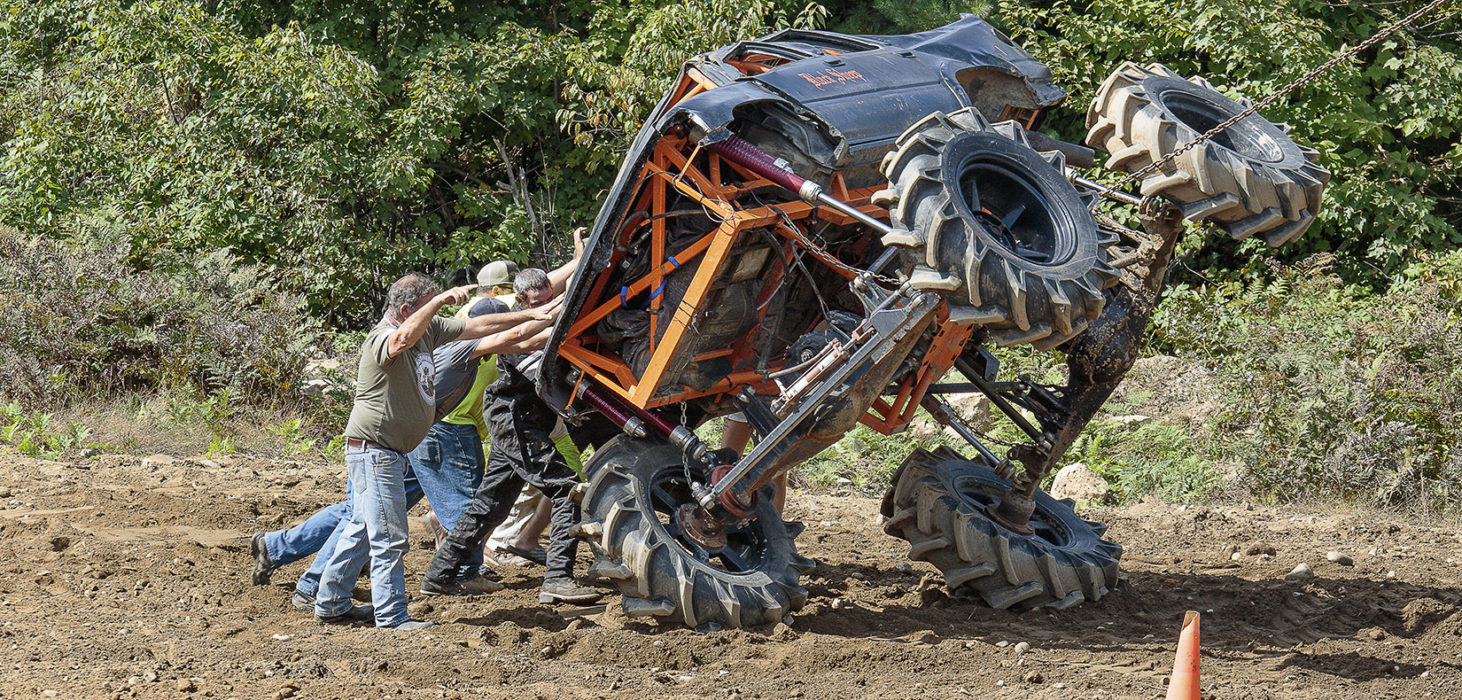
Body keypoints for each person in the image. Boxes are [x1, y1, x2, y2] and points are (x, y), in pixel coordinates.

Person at [308, 272, 560, 630]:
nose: (438, 311)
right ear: (410, 308)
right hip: (375, 451)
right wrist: (440, 301)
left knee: (361, 528)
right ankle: (393, 618)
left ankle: (330, 602)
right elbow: (401, 340)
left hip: (388, 452)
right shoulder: (383, 338)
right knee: (390, 538)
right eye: (429, 306)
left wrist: (534, 315)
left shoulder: (428, 329)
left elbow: (481, 325)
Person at [421, 266, 601, 604]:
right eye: (538, 302)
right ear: (520, 301)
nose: (546, 306)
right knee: (566, 489)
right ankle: (559, 580)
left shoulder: (535, 314)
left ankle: (438, 575)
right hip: (514, 418)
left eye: (549, 299)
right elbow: (543, 370)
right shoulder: (515, 330)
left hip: (525, 419)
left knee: (489, 505)